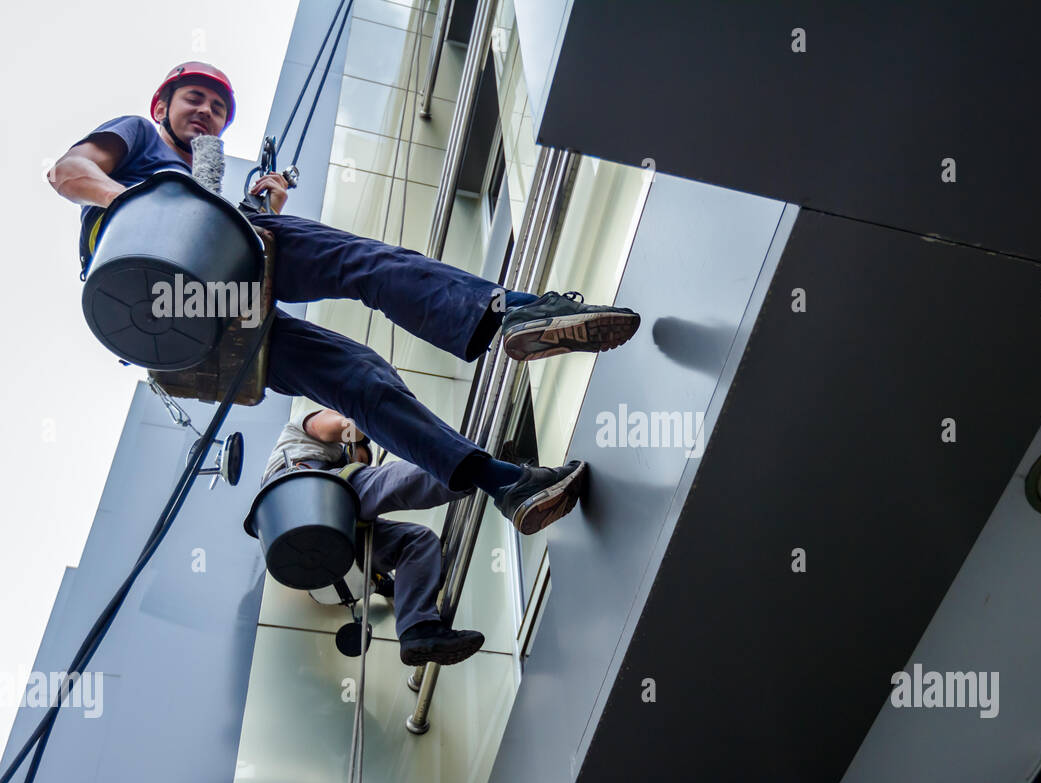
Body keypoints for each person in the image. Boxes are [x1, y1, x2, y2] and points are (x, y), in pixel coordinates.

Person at [47, 61, 641, 534]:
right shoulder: (139, 138)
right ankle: (509, 315)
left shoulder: (208, 187)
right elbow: (68, 172)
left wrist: (261, 207)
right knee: (365, 267)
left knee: (362, 378)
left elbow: (234, 240)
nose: (206, 111)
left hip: (214, 311)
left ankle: (506, 483)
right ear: (161, 108)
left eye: (219, 107)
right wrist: (141, 205)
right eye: (193, 100)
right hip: (172, 278)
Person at [263, 406, 487, 666]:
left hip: (336, 528)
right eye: (359, 456)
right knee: (394, 481)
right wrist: (375, 414)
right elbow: (339, 428)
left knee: (416, 542)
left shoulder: (341, 472)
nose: (361, 463)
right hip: (307, 497)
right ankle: (473, 467)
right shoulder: (302, 425)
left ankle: (418, 630)